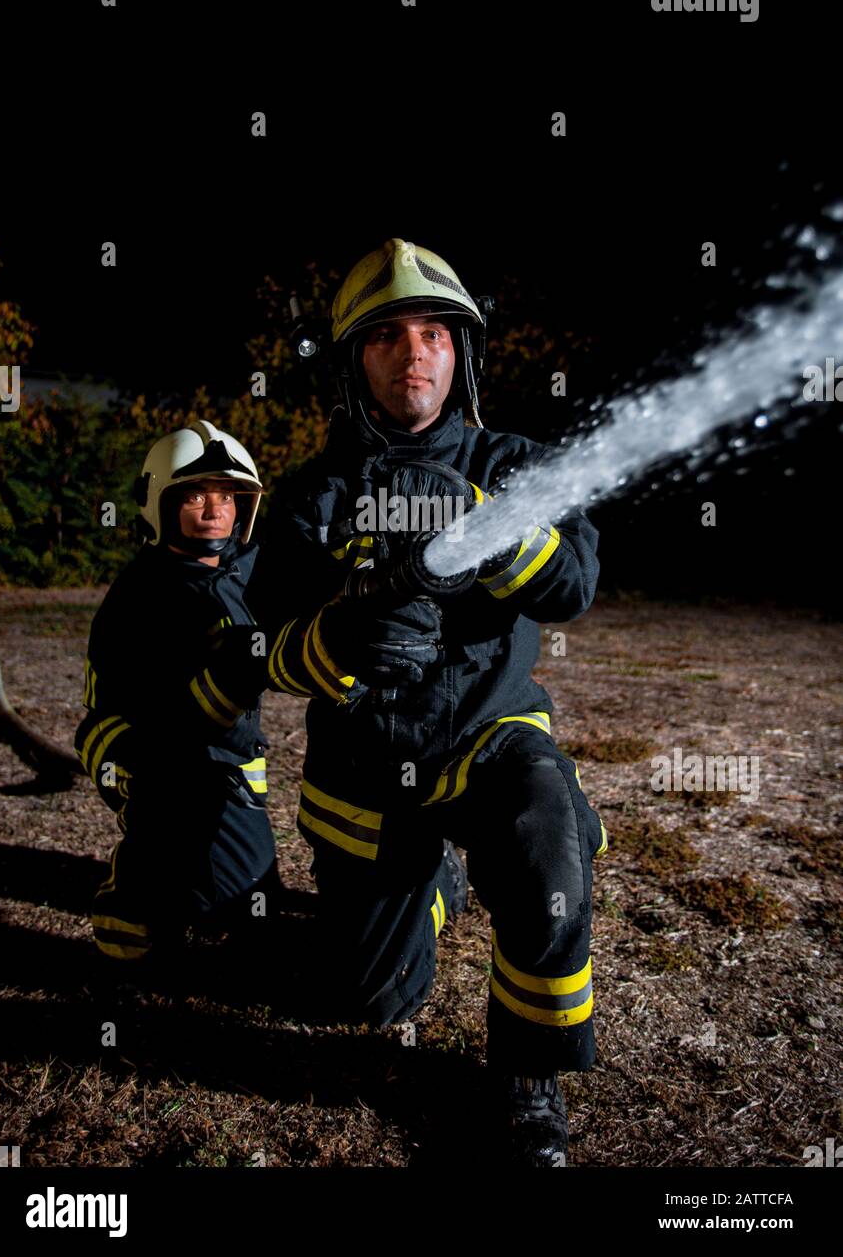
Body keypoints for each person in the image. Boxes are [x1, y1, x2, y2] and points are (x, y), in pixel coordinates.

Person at [254, 237, 608, 1165]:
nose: (415, 353)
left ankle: (528, 1075)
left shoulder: (516, 464)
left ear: (464, 355)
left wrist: (502, 542)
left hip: (489, 735)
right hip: (365, 768)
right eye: (386, 337)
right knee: (371, 1001)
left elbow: (571, 585)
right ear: (351, 365)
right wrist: (329, 642)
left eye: (435, 334)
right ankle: (433, 886)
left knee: (543, 850)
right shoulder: (310, 498)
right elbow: (260, 647)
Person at [74, 419, 279, 986]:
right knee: (175, 890)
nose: (215, 512)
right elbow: (159, 717)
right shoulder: (144, 595)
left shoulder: (247, 572)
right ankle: (135, 893)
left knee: (249, 912)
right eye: (194, 496)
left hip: (221, 757)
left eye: (228, 497)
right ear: (157, 504)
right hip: (140, 749)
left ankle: (197, 869)